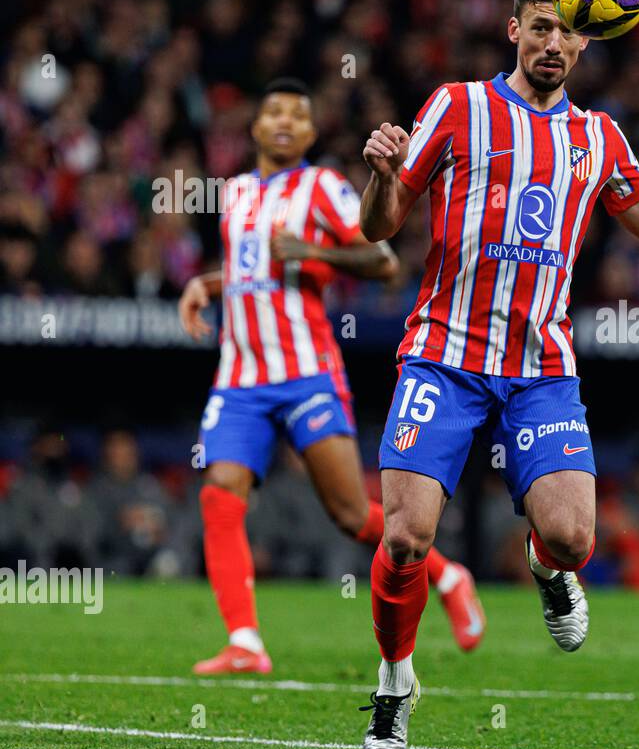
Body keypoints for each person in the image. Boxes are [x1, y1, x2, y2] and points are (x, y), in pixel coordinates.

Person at [354, 0, 639, 749]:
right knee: (406, 539)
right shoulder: (456, 109)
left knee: (576, 540)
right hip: (443, 356)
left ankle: (549, 572)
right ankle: (394, 682)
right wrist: (381, 179)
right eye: (540, 27)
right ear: (513, 30)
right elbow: (380, 226)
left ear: (589, 39)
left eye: (569, 30)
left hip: (541, 370)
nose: (554, 42)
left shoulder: (599, 138)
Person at [177, 78, 486, 676]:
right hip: (239, 375)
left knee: (350, 514)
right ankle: (246, 642)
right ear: (257, 127)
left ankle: (447, 573)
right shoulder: (237, 191)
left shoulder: (322, 187)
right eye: (274, 111)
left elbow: (384, 260)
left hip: (306, 372)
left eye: (299, 112)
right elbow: (252, 270)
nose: (285, 120)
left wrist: (313, 254)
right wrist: (205, 284)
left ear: (312, 133)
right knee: (219, 494)